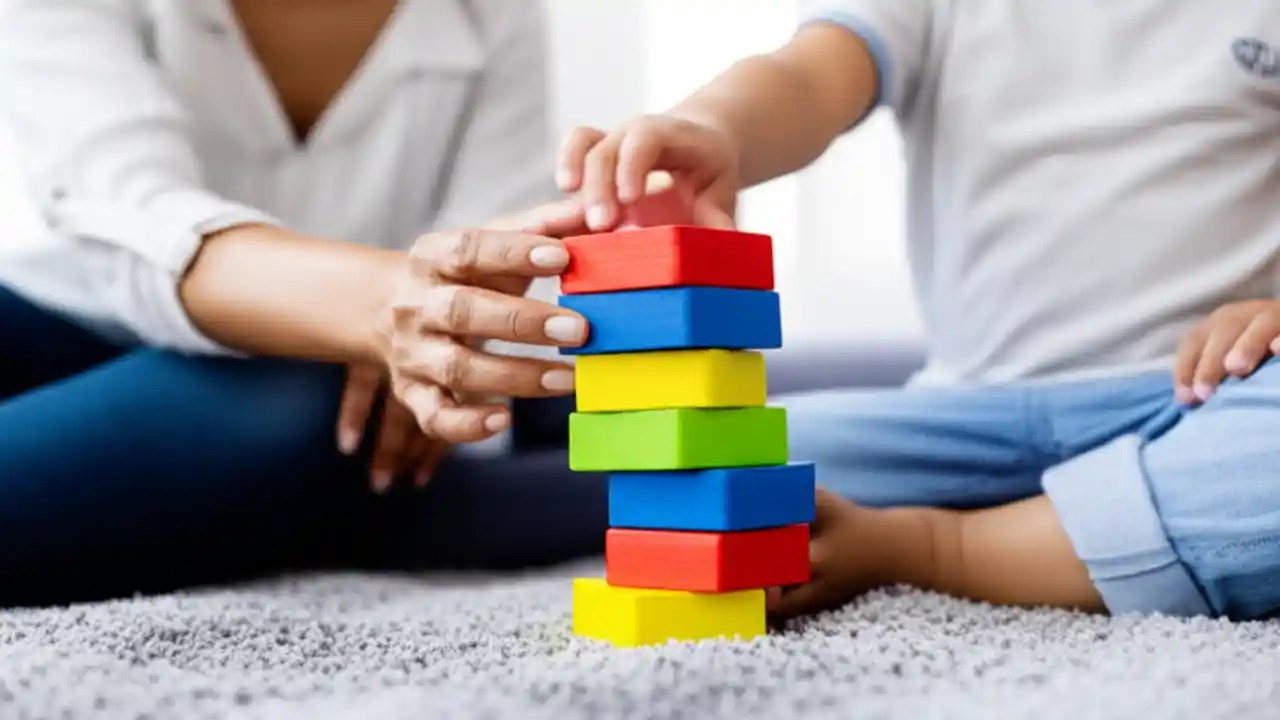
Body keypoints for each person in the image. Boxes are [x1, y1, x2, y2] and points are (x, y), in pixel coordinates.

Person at [561, 2, 1280, 620]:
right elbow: (808, 77)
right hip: (954, 422)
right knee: (710, 458)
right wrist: (713, 126)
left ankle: (939, 544)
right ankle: (1078, 527)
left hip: (1199, 401)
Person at [0, 0, 608, 606]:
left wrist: (426, 333)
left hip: (315, 388)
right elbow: (127, 214)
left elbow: (489, 258)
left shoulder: (494, 14)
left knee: (322, 407)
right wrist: (383, 305)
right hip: (63, 317)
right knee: (330, 416)